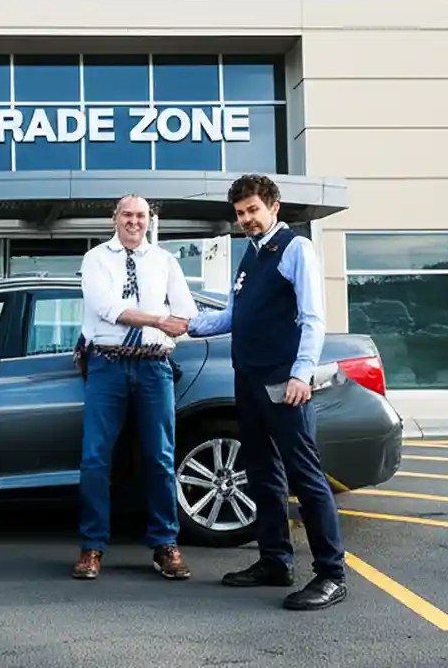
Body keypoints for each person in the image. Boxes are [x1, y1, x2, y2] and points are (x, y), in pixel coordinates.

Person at [186, 174, 347, 610]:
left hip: (284, 381)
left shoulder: (297, 249)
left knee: (305, 477)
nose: (246, 220)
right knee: (261, 473)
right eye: (240, 214)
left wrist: (301, 373)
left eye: (253, 210)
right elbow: (233, 317)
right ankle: (275, 560)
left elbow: (314, 318)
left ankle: (331, 574)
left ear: (273, 207)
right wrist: (186, 325)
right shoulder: (250, 257)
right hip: (249, 379)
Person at [72, 194, 198, 581]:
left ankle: (165, 544)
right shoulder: (95, 259)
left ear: (149, 219)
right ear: (115, 218)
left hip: (153, 367)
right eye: (127, 214)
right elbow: (107, 308)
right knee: (95, 459)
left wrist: (169, 324)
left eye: (141, 215)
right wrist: (161, 320)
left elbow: (187, 311)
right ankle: (92, 546)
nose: (134, 221)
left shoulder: (164, 261)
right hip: (107, 364)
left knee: (160, 457)